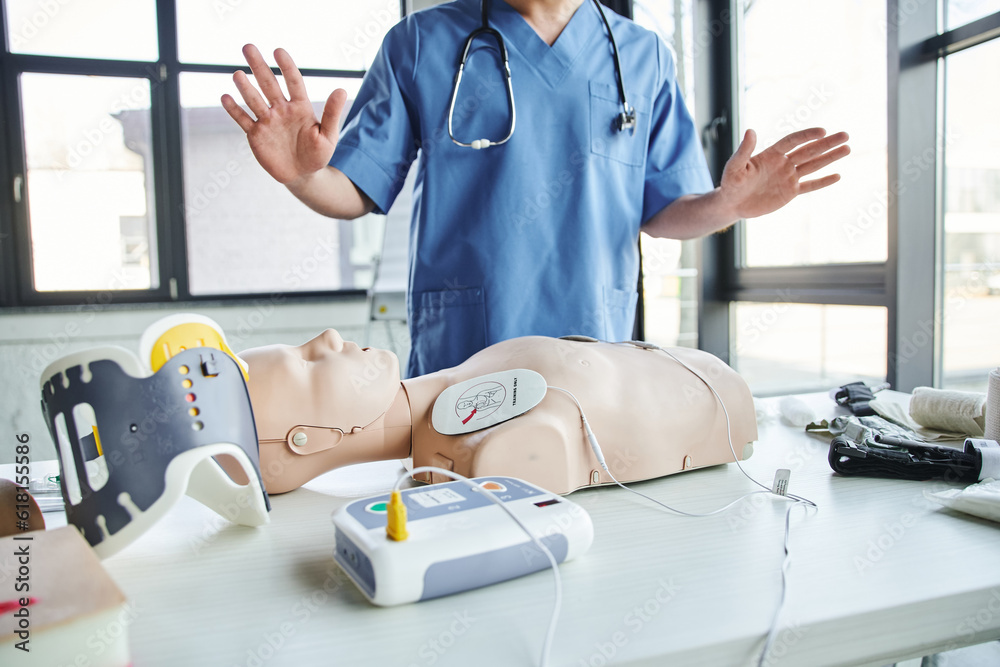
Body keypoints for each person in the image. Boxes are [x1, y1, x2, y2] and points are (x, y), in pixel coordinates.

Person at [221, 0, 850, 377]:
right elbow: (354, 189)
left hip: (594, 347)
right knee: (455, 520)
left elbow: (664, 211)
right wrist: (304, 175)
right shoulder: (420, 42)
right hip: (464, 352)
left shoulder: (644, 56)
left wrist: (728, 206)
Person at [239, 329, 757, 495]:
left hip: (710, 384)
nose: (327, 337)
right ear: (305, 438)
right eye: (307, 362)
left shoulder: (463, 385)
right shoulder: (487, 457)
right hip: (713, 393)